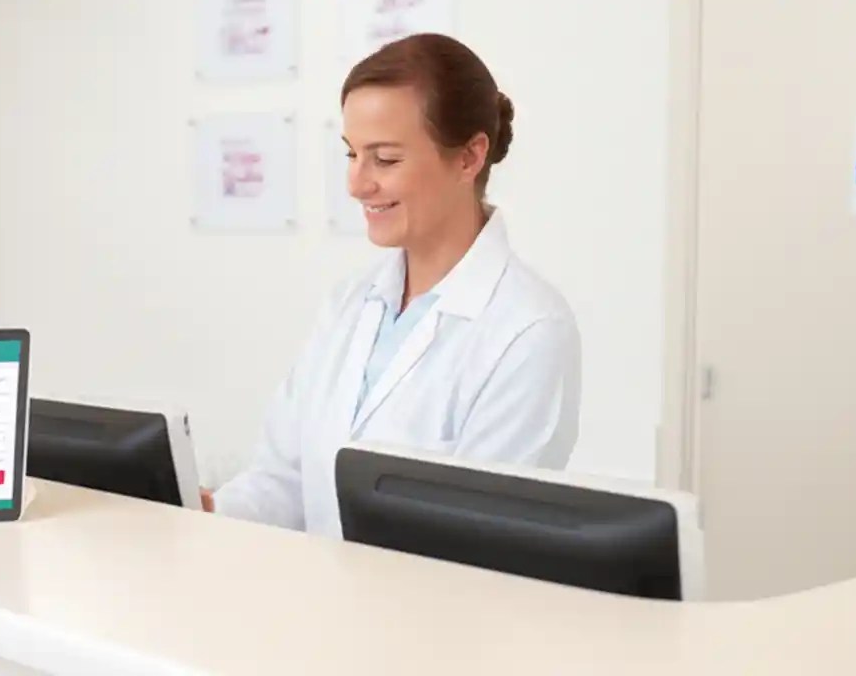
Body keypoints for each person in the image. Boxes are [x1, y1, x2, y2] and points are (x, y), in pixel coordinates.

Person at [205, 33, 581, 538]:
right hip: (318, 606)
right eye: (351, 155)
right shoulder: (349, 305)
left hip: (429, 615)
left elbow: (478, 543)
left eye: (384, 159)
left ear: (469, 157)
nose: (356, 184)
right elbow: (285, 482)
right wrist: (200, 514)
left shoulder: (529, 330)